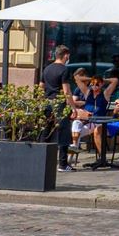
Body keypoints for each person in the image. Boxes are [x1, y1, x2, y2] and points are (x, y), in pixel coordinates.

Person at [41, 45, 74, 173]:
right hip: (59, 103)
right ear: (65, 55)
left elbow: (41, 87)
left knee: (46, 130)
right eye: (68, 55)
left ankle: (42, 159)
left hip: (47, 102)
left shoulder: (47, 69)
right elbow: (66, 91)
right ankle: (63, 164)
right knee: (64, 132)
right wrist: (73, 107)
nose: (68, 58)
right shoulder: (64, 70)